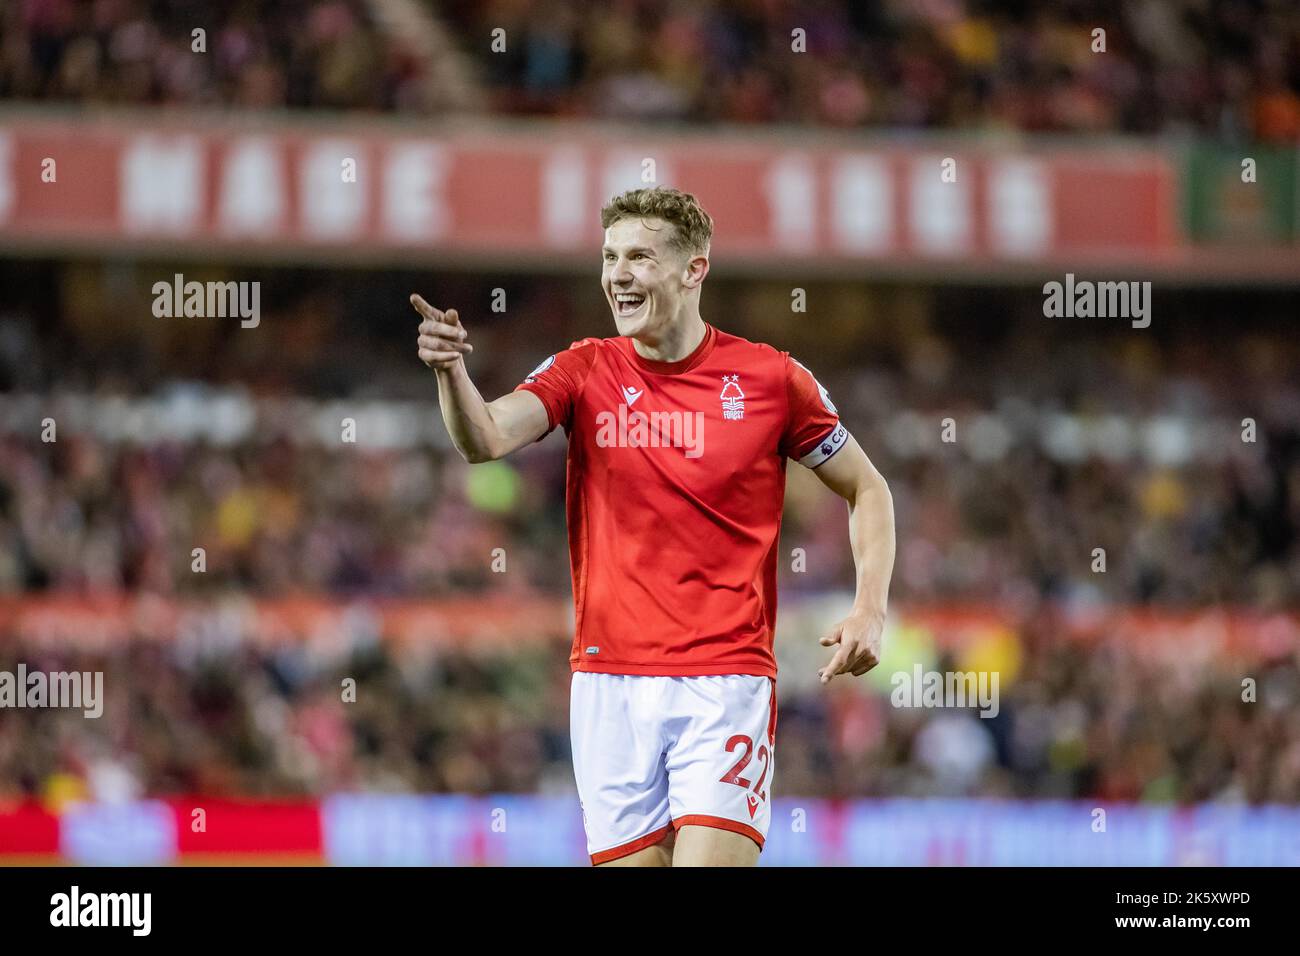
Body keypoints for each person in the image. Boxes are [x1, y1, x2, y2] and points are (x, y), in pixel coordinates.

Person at [411, 185, 895, 866]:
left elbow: (867, 488)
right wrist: (450, 373)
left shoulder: (770, 379)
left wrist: (869, 610)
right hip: (608, 683)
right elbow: (484, 438)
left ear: (694, 269)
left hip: (723, 679)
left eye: (639, 256)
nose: (618, 274)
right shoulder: (584, 369)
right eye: (610, 257)